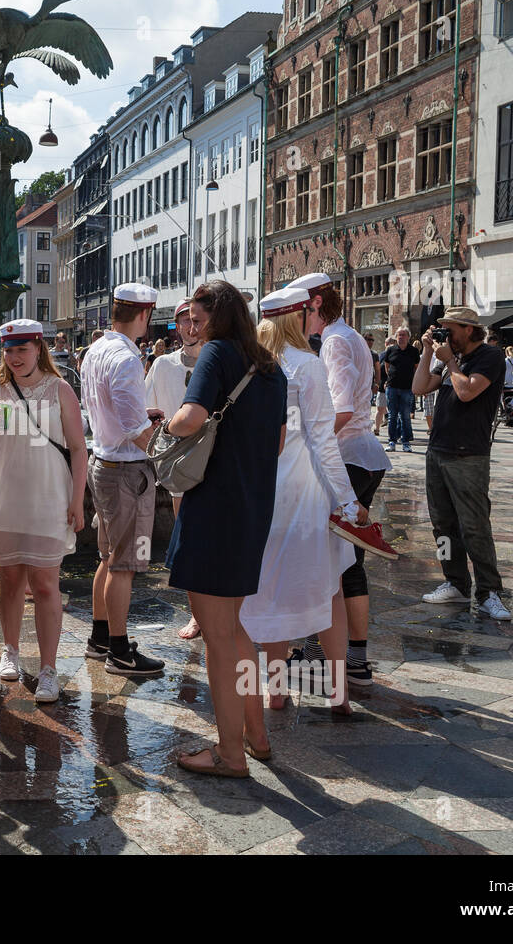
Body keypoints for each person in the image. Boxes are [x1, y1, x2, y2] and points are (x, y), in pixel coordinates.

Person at [163, 281, 287, 777]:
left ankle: (231, 754)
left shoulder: (215, 355)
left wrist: (167, 423)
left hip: (214, 508)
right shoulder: (271, 367)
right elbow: (277, 443)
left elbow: (189, 419)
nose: (191, 326)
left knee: (218, 637)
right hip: (253, 507)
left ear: (215, 318)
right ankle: (255, 736)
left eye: (195, 317)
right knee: (235, 630)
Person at [240, 289, 365, 720]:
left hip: (257, 492)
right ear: (299, 315)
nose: (316, 317)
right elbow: (324, 442)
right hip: (303, 493)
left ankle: (276, 690)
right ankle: (338, 692)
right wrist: (348, 502)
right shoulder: (307, 365)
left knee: (266, 588)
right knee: (328, 588)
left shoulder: (249, 362)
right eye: (310, 311)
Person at [0, 319, 87, 704]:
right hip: (6, 497)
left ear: (39, 347)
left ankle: (50, 668)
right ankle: (10, 650)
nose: (14, 357)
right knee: (10, 581)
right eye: (8, 350)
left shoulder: (60, 389)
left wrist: (77, 498)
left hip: (49, 497)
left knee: (46, 584)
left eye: (22, 349)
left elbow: (78, 448)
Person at [289, 273, 396, 687]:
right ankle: (346, 655)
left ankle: (341, 658)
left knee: (336, 560)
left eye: (302, 308)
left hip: (349, 458)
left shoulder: (334, 341)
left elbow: (343, 408)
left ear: (314, 305)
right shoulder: (347, 335)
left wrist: (308, 446)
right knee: (345, 560)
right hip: (362, 455)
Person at [79, 283, 165, 677]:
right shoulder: (127, 359)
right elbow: (136, 430)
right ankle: (119, 650)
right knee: (125, 565)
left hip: (103, 460)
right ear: (145, 315)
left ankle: (100, 639)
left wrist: (142, 415)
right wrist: (167, 449)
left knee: (109, 557)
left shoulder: (96, 349)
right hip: (126, 470)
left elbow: (111, 410)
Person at [412, 306, 510, 620]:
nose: (445, 335)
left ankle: (488, 592)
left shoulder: (489, 357)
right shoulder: (448, 358)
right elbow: (418, 387)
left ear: (468, 329)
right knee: (442, 526)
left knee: (475, 527)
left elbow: (467, 392)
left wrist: (450, 360)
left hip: (468, 455)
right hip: (437, 450)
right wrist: (428, 352)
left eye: (449, 329)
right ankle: (454, 582)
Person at [146, 302, 205, 641]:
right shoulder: (163, 365)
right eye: (185, 321)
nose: (190, 327)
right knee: (187, 542)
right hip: (180, 465)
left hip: (216, 462)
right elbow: (144, 409)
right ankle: (198, 615)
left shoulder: (220, 360)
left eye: (196, 320)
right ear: (178, 326)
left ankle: (228, 611)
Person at [381, 327, 419, 453]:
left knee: (405, 416)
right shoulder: (391, 350)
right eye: (399, 335)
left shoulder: (413, 351)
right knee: (392, 416)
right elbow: (387, 366)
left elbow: (416, 368)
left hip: (407, 388)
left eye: (403, 335)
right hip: (392, 387)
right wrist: (390, 378)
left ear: (408, 337)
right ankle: (392, 441)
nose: (401, 337)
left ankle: (406, 442)